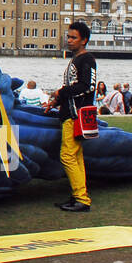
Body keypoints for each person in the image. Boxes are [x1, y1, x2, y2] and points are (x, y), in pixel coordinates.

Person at [45, 21, 95, 212]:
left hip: (76, 115)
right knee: (76, 156)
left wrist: (61, 92)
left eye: (74, 37)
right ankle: (79, 196)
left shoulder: (86, 59)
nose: (69, 40)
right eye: (68, 36)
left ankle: (81, 198)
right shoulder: (76, 59)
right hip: (70, 112)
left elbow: (86, 86)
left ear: (84, 40)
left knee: (67, 156)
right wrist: (56, 101)